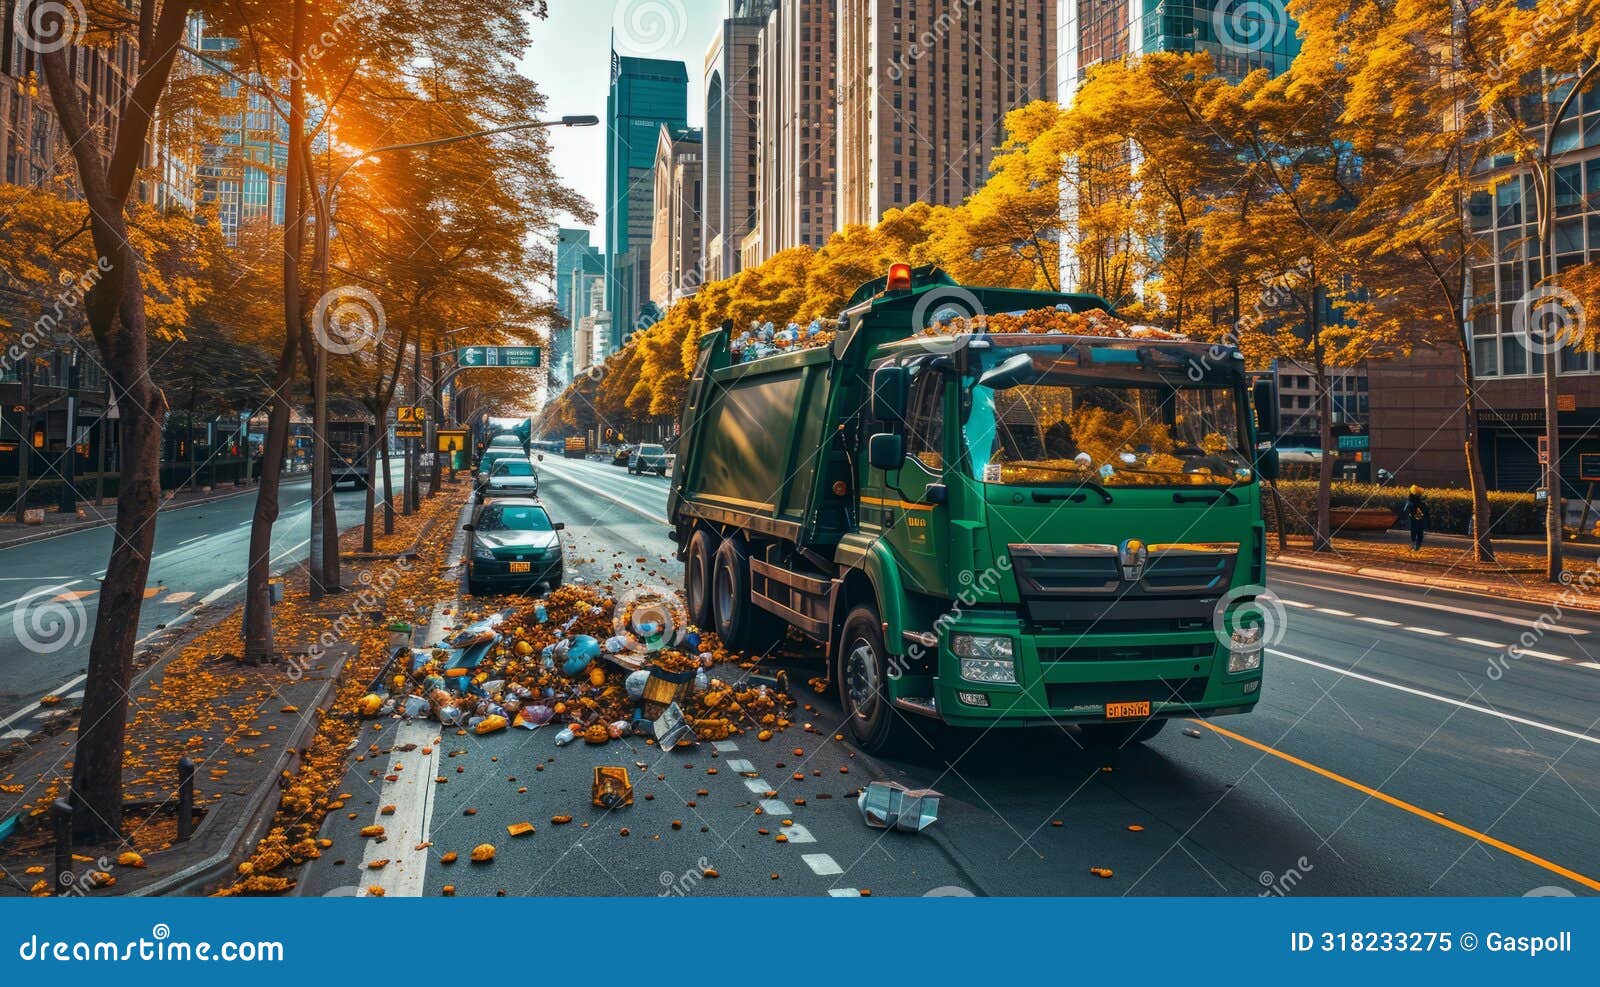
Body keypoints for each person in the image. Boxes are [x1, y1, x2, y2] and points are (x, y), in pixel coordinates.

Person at [1399, 484, 1430, 551]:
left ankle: (1416, 545)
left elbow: (1405, 510)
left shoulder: (1412, 501)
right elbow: (1425, 510)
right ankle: (1416, 545)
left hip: (1416, 518)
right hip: (1416, 518)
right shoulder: (1416, 502)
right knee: (1418, 532)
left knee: (1416, 532)